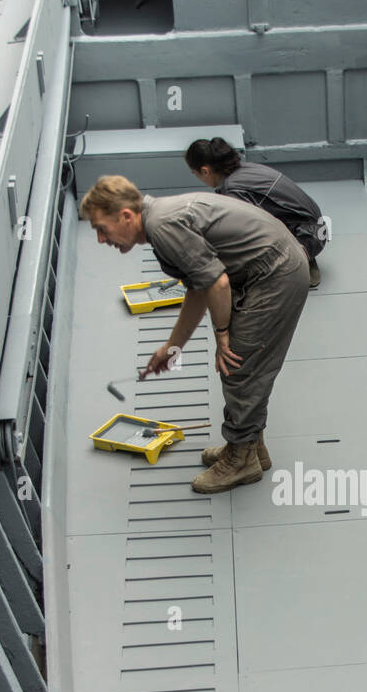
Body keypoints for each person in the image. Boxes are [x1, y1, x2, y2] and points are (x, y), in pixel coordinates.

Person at [79, 174, 309, 494]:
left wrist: (223, 334)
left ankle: (242, 460)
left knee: (239, 365)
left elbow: (218, 284)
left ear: (127, 216)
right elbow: (200, 286)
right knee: (242, 363)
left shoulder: (162, 227)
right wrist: (173, 347)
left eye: (102, 229)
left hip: (275, 275)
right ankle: (251, 448)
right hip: (271, 265)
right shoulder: (159, 216)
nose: (102, 240)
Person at [185, 137, 326, 288]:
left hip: (308, 236)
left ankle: (298, 260)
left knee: (236, 266)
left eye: (195, 173)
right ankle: (300, 257)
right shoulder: (246, 169)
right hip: (317, 228)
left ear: (205, 171)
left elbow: (246, 235)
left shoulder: (233, 190)